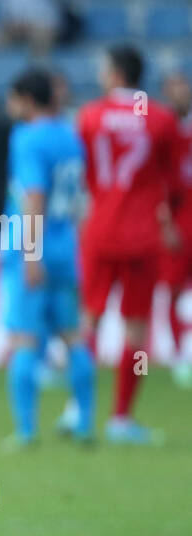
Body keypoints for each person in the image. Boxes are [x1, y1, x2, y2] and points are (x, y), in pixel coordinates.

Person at [76, 44, 181, 444]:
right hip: (142, 236)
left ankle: (78, 409)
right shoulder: (161, 119)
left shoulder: (89, 117)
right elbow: (171, 183)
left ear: (117, 73)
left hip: (99, 230)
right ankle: (121, 417)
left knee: (87, 322)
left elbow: (80, 173)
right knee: (136, 334)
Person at [0, 67, 94, 449]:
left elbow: (33, 197)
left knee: (24, 339)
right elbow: (80, 199)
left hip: (34, 249)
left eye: (12, 97)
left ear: (24, 98)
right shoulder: (71, 137)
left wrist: (31, 255)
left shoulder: (26, 139)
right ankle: (86, 423)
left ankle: (26, 431)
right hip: (64, 247)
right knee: (72, 337)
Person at [158, 71, 192, 388]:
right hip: (179, 224)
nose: (180, 93)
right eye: (174, 88)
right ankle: (180, 355)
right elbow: (157, 185)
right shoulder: (162, 131)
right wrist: (165, 222)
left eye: (183, 87)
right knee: (173, 290)